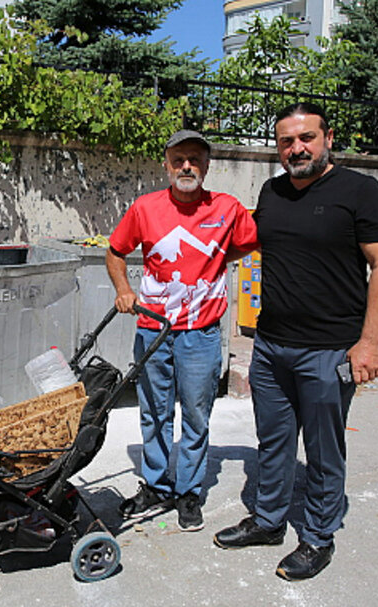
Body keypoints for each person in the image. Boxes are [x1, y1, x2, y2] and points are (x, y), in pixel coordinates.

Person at [213, 103, 378, 581]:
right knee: (273, 442)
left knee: (323, 450)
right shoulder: (272, 191)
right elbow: (251, 243)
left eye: (306, 138)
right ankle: (269, 520)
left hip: (329, 349)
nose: (296, 149)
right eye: (286, 142)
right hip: (271, 346)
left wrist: (370, 343)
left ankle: (318, 536)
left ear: (327, 138)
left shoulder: (361, 192)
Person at [106, 129, 259, 531]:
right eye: (178, 160)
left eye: (194, 159)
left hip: (201, 334)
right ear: (167, 165)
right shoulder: (145, 208)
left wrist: (219, 260)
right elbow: (115, 251)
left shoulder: (227, 208)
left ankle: (188, 492)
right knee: (154, 413)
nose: (186, 166)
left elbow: (249, 243)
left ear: (206, 166)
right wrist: (123, 290)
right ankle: (157, 485)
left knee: (196, 414)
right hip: (153, 330)